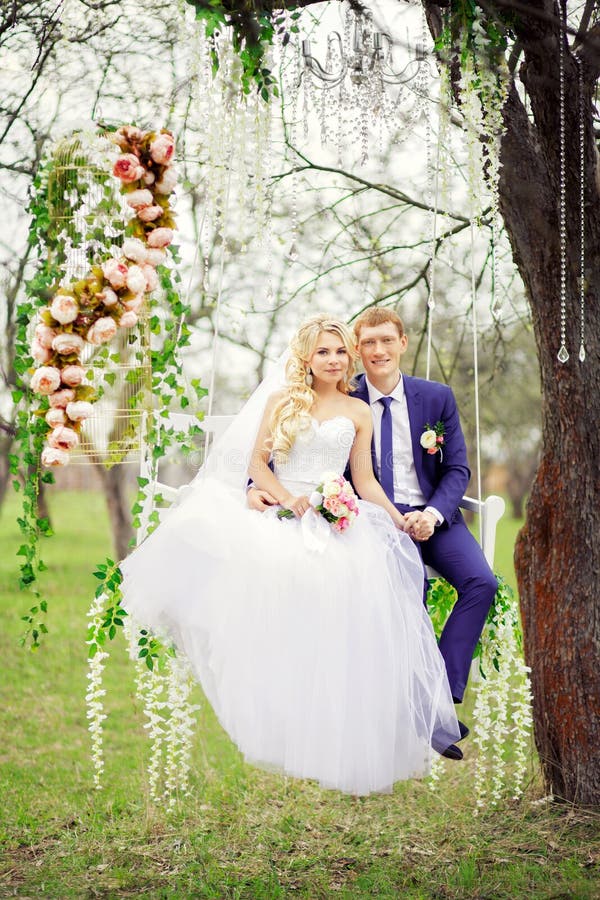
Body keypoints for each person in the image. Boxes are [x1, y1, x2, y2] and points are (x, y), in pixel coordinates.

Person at [120, 314, 460, 796]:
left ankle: (330, 717)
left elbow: (363, 480)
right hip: (285, 510)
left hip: (336, 517)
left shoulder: (357, 411)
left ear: (350, 357)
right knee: (266, 587)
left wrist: (395, 518)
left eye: (340, 351)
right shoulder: (284, 401)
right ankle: (272, 700)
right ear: (306, 357)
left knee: (345, 610)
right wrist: (284, 498)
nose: (333, 359)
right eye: (323, 351)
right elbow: (258, 462)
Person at [250, 308, 498, 758]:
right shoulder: (343, 395)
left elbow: (457, 468)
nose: (377, 351)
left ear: (403, 343)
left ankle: (437, 695)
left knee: (482, 581)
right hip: (366, 513)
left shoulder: (435, 398)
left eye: (387, 341)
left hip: (428, 514)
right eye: (366, 344)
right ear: (357, 351)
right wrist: (258, 490)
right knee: (409, 582)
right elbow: (276, 459)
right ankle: (425, 711)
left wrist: (431, 516)